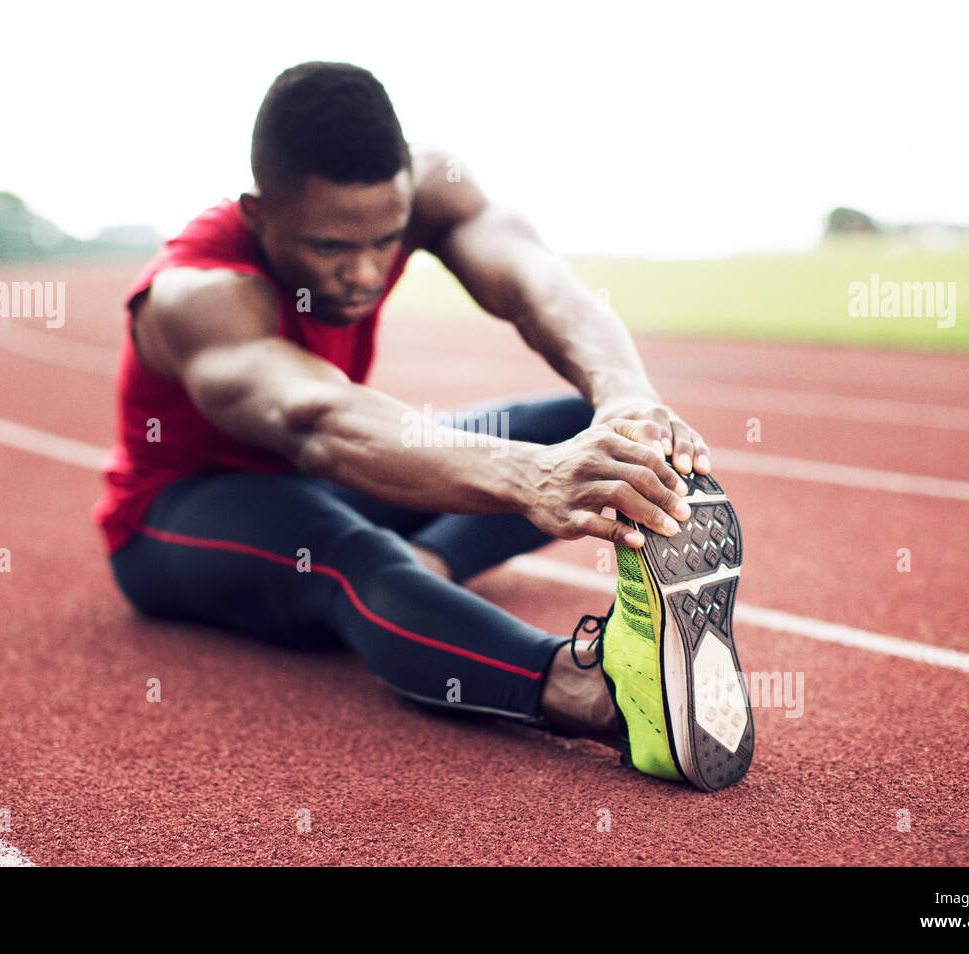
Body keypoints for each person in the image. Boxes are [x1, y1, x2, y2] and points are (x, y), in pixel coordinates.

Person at [93, 61, 752, 791]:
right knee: (354, 558)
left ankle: (428, 568)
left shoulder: (434, 190)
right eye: (331, 248)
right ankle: (592, 693)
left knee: (581, 428)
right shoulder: (200, 294)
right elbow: (319, 420)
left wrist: (624, 396)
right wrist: (532, 477)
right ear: (258, 215)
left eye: (385, 241)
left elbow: (538, 283)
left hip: (319, 479)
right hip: (177, 514)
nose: (365, 273)